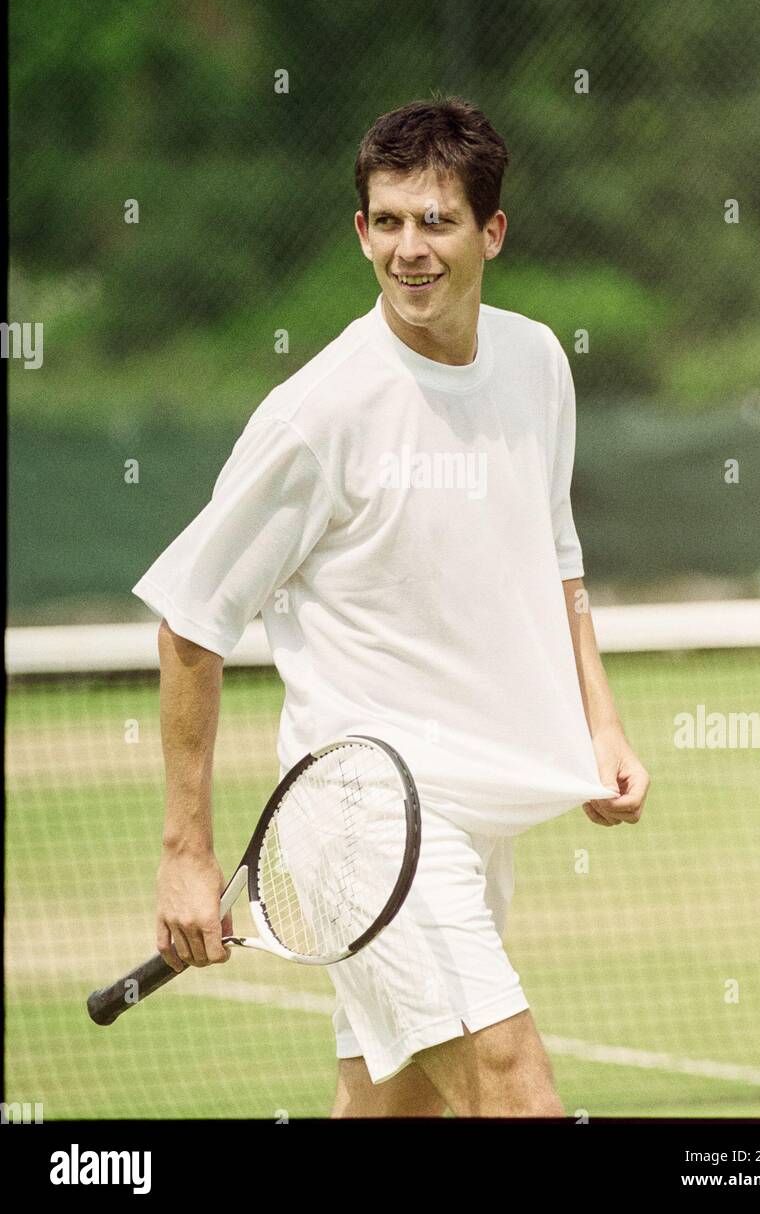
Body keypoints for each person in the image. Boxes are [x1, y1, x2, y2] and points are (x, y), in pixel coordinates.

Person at [132, 96, 650, 1118]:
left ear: (489, 232)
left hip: (470, 816)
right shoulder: (318, 412)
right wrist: (185, 853)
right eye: (386, 221)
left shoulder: (537, 361)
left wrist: (599, 719)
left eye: (436, 221)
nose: (408, 249)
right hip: (362, 824)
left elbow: (554, 557)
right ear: (360, 229)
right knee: (516, 1097)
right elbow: (193, 617)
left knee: (390, 1114)